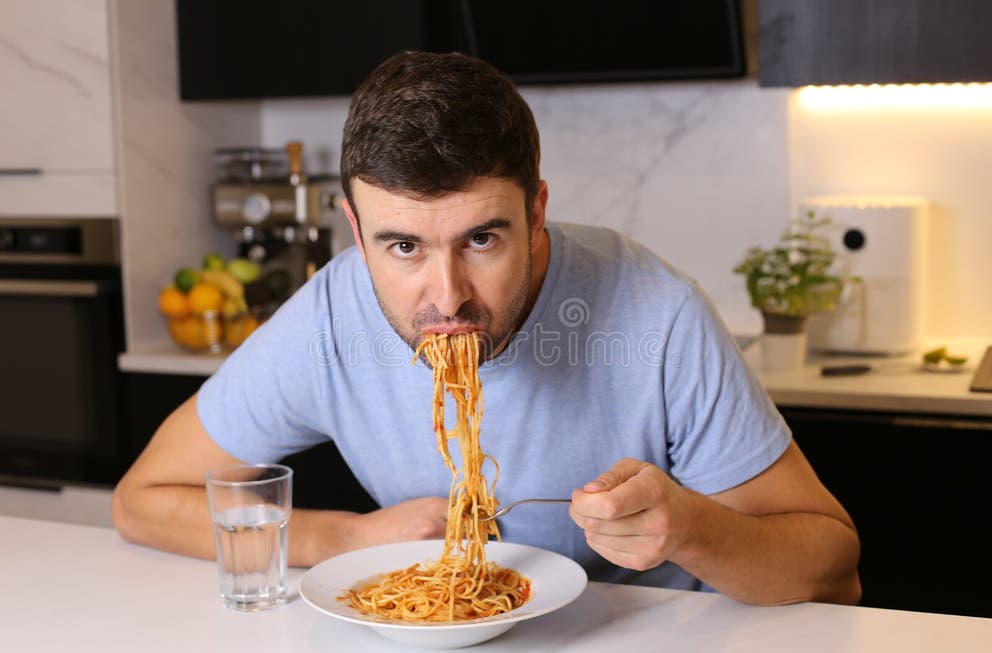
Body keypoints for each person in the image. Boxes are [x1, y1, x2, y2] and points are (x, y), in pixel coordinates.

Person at [113, 51, 861, 606]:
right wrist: (345, 537)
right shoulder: (329, 318)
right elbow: (142, 499)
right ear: (355, 232)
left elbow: (834, 570)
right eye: (403, 246)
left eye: (481, 239)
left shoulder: (656, 314)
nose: (448, 298)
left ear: (536, 213)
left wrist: (693, 528)